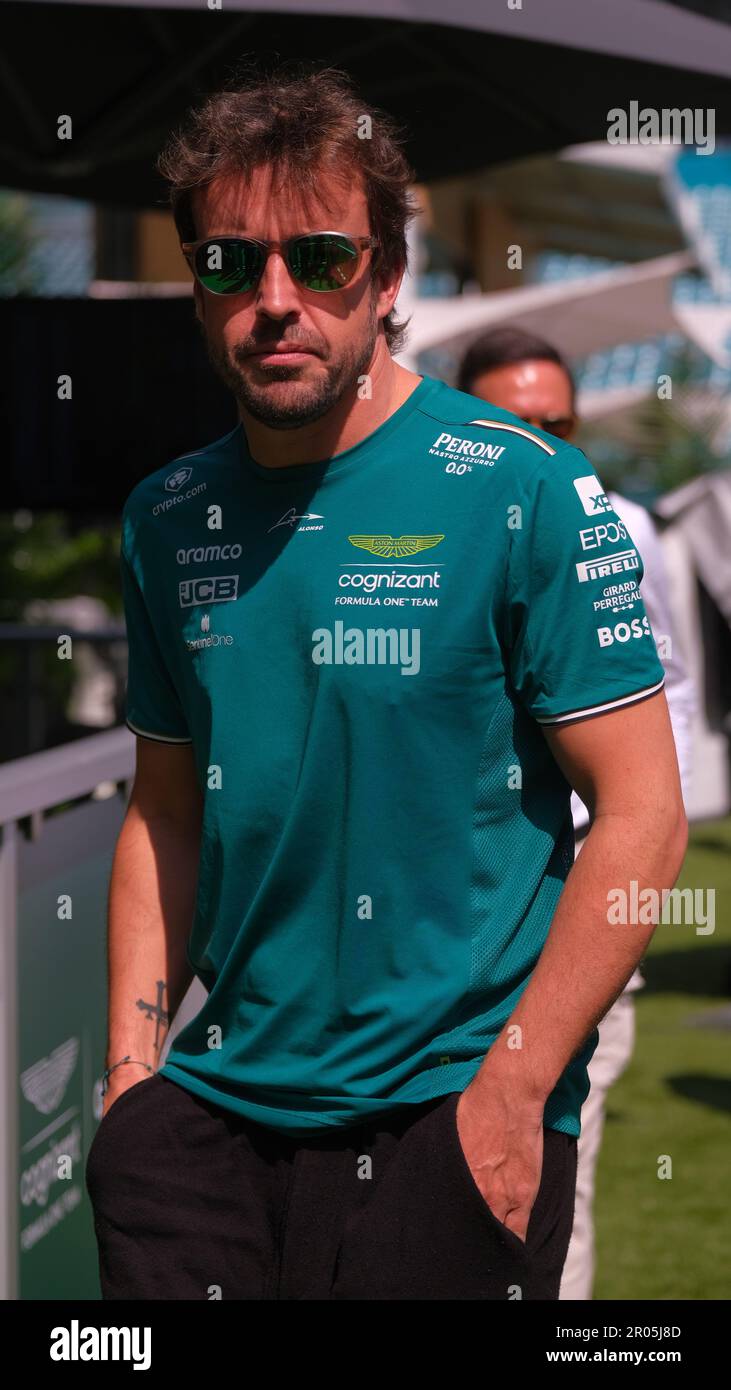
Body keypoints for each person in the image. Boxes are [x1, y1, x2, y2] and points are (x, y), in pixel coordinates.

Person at [85, 68, 687, 1302]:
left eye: (319, 258)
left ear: (390, 277)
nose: (273, 302)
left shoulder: (521, 491)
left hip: (447, 1117)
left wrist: (514, 1095)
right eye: (226, 264)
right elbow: (164, 811)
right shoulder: (166, 517)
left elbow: (643, 815)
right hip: (209, 1117)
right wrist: (129, 1080)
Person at [457, 325, 696, 1299]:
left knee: (558, 1173)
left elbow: (667, 688)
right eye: (519, 423)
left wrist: (616, 843)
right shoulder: (421, 532)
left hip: (583, 911)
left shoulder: (620, 530)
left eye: (560, 423)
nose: (546, 443)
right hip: (442, 932)